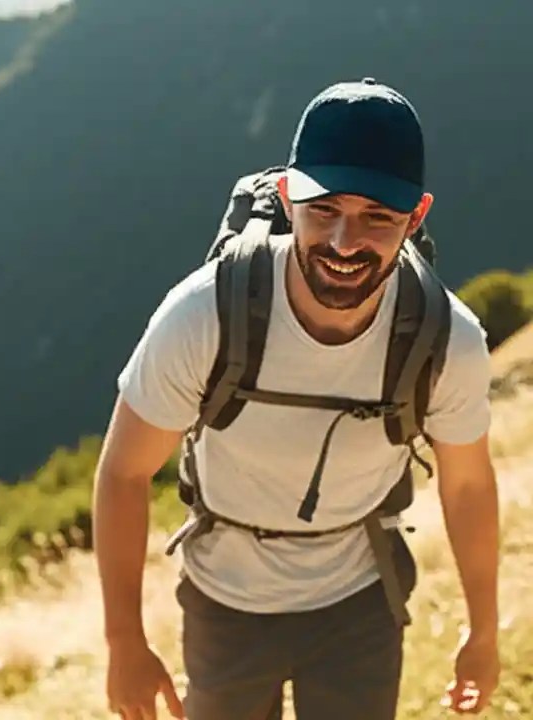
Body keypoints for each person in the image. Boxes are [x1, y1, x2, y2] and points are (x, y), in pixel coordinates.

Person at [92, 78, 501, 720]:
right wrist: (125, 643)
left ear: (416, 217)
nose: (344, 243)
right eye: (323, 209)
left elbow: (469, 486)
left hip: (362, 602)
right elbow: (123, 472)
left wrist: (483, 631)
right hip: (224, 601)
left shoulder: (446, 338)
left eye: (377, 218)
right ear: (286, 196)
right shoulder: (205, 314)